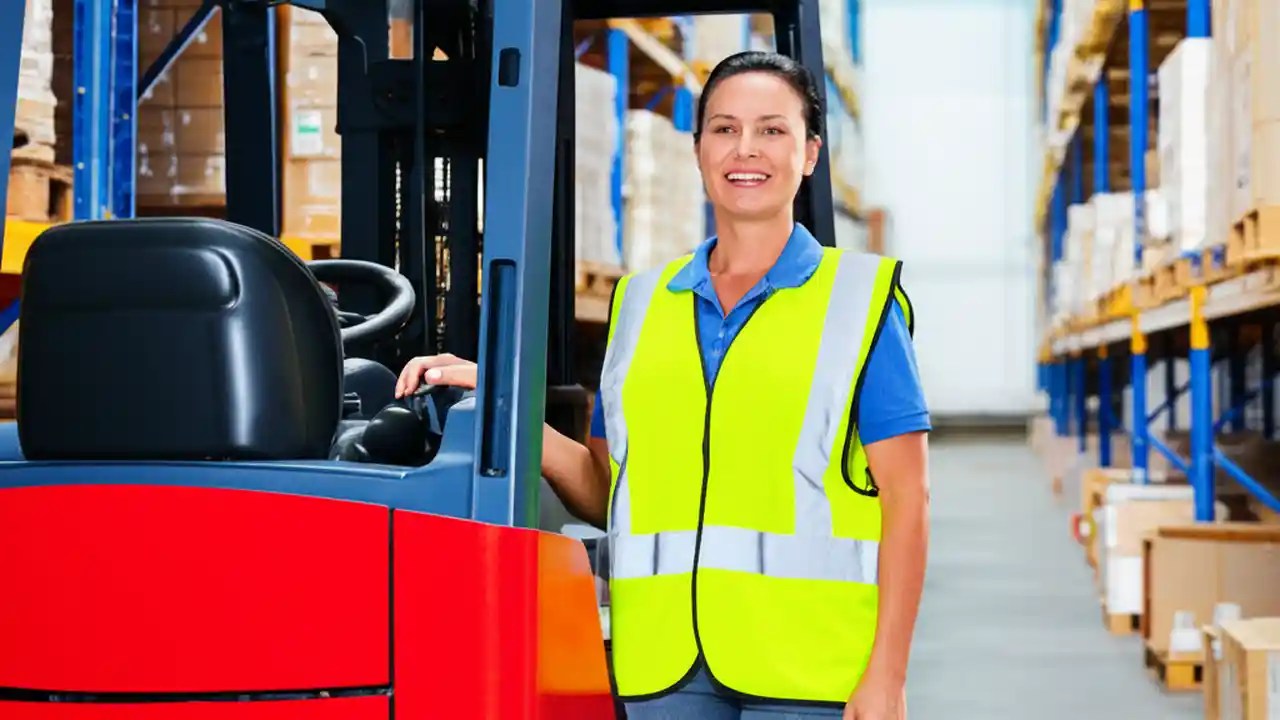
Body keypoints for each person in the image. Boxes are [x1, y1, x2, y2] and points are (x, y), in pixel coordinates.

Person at [395, 50, 930, 720]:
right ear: (699, 146)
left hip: (809, 672)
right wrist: (502, 402)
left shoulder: (860, 300)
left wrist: (888, 676)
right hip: (666, 670)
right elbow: (608, 492)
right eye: (725, 128)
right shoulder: (641, 304)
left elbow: (908, 502)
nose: (746, 150)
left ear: (811, 152)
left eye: (772, 130)